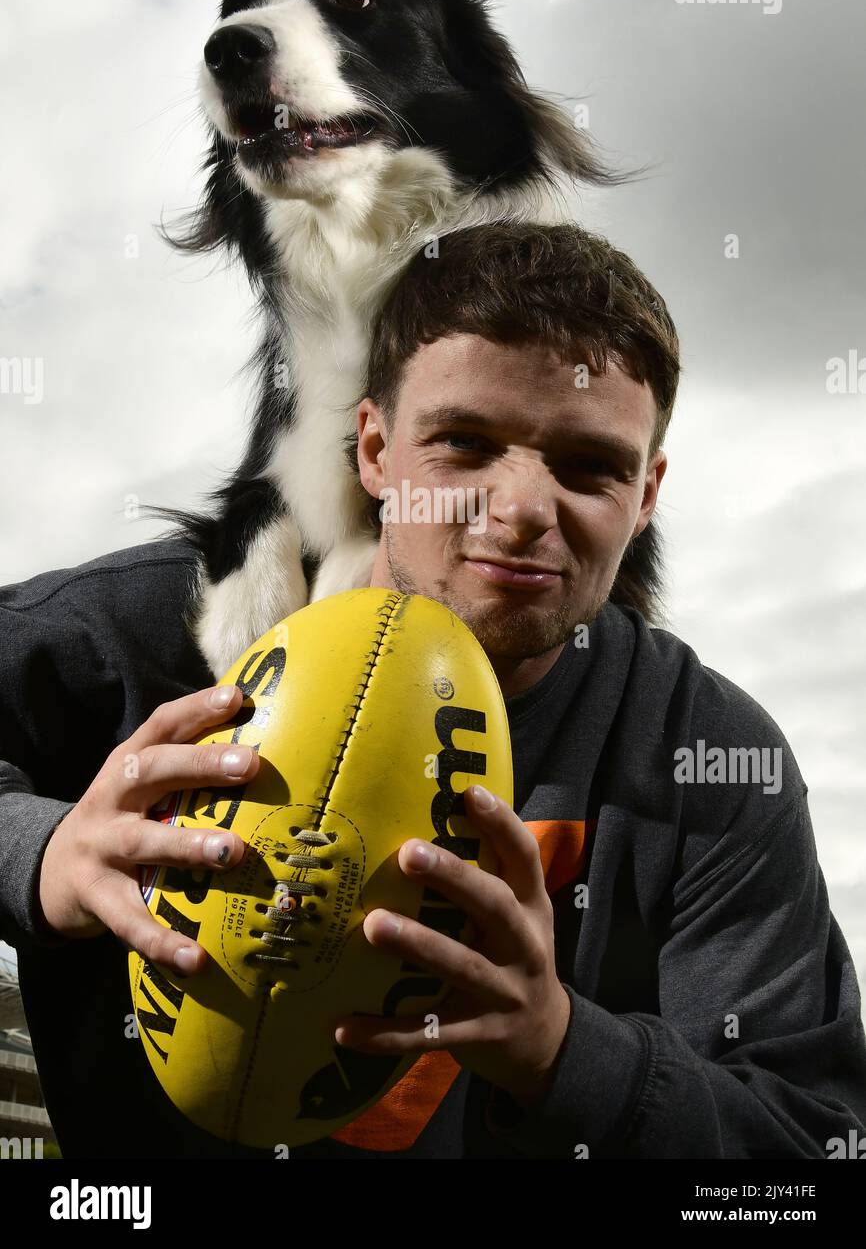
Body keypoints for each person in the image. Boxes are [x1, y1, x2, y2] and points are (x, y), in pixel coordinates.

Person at [1, 223, 864, 1160]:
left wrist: (567, 1051)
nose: (525, 509)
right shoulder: (151, 632)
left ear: (647, 494)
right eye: (463, 442)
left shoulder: (709, 757)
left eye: (590, 466)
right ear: (374, 450)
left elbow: (804, 1160)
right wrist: (40, 858)